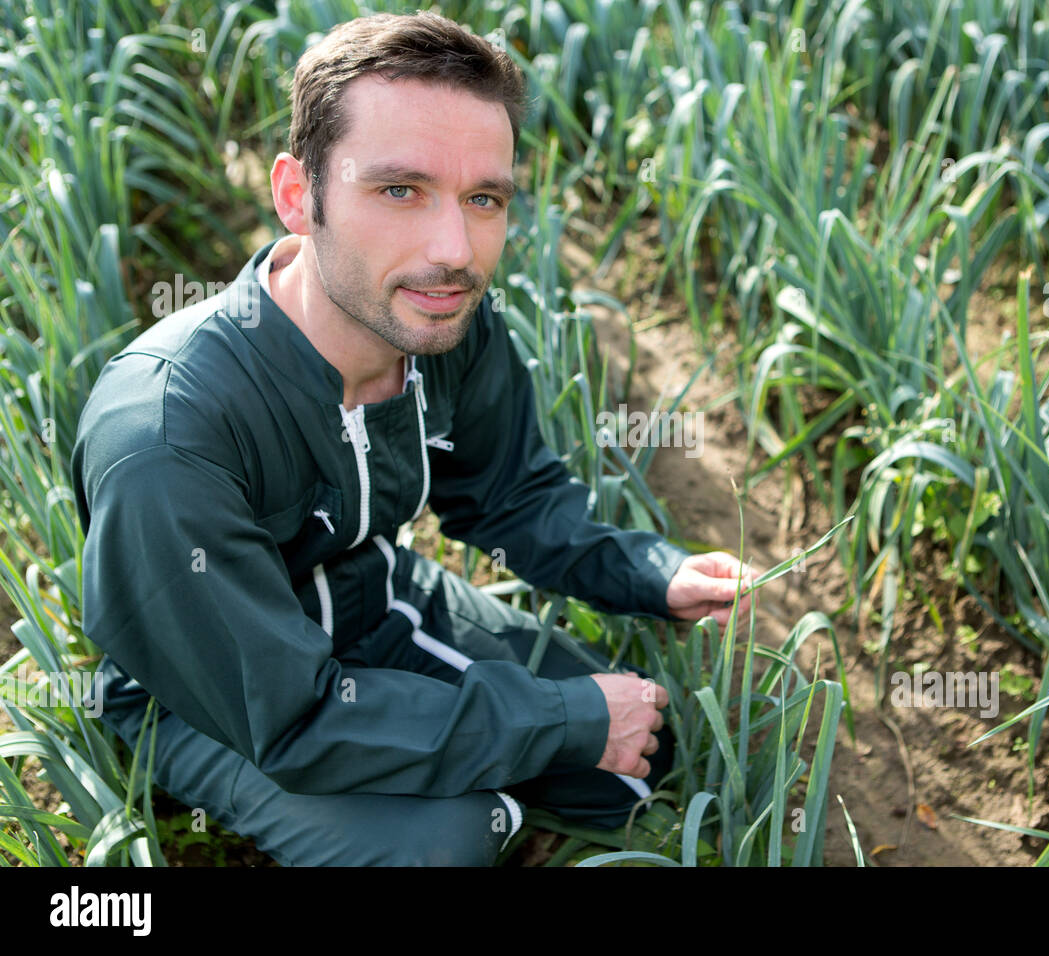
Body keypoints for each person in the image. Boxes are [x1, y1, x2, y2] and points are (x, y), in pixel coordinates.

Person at [71, 10, 754, 866]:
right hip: (214, 687)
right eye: (401, 190)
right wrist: (562, 720)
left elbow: (507, 492)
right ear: (298, 196)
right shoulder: (170, 431)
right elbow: (291, 716)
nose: (454, 249)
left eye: (483, 199)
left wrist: (654, 573)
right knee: (446, 841)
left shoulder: (446, 320)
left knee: (641, 758)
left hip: (368, 601)